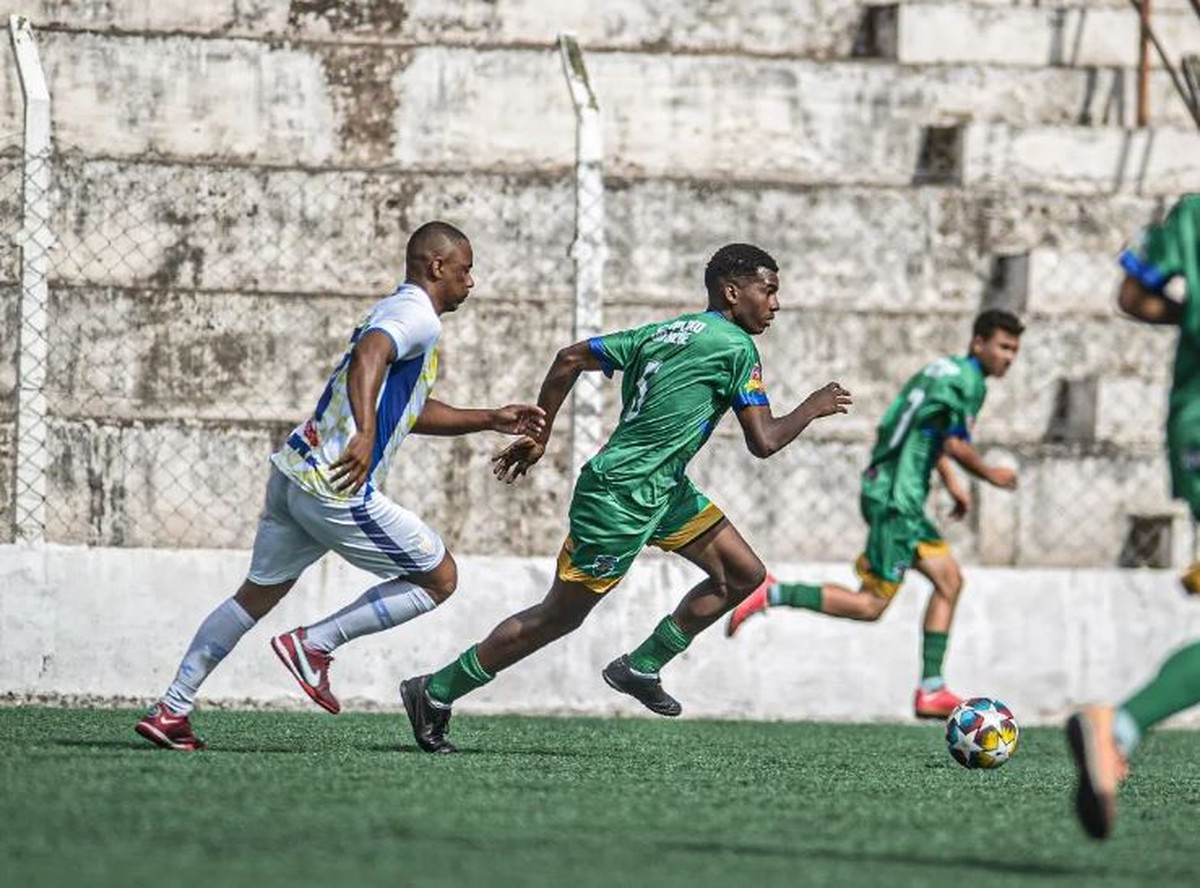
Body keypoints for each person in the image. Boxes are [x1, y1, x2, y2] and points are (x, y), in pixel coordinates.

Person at [398, 243, 852, 753]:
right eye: (767, 291)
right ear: (732, 291)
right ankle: (436, 691)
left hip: (664, 489)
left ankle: (642, 665)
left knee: (743, 574)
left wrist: (542, 434)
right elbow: (763, 441)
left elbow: (569, 358)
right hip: (620, 498)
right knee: (558, 616)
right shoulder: (736, 349)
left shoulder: (660, 332)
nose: (774, 304)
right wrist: (813, 406)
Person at [134, 221, 545, 750]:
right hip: (336, 485)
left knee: (255, 596)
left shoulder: (397, 309)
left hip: (294, 474)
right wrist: (366, 433)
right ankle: (316, 644)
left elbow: (407, 411)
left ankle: (172, 708)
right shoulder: (416, 315)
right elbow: (372, 355)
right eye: (466, 270)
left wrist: (490, 417)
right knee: (438, 578)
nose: (472, 282)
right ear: (436, 267)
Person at [725, 309, 1023, 720]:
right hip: (897, 501)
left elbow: (922, 430)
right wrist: (990, 474)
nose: (1009, 357)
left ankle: (932, 689)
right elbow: (953, 442)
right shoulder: (968, 382)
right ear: (979, 343)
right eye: (1004, 347)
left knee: (949, 580)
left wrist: (950, 481)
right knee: (870, 605)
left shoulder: (941, 372)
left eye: (1015, 350)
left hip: (898, 492)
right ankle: (772, 592)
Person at [1067, 194, 1200, 840]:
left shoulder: (1192, 214)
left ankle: (1117, 727)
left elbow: (1133, 296)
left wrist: (1192, 315)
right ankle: (1117, 724)